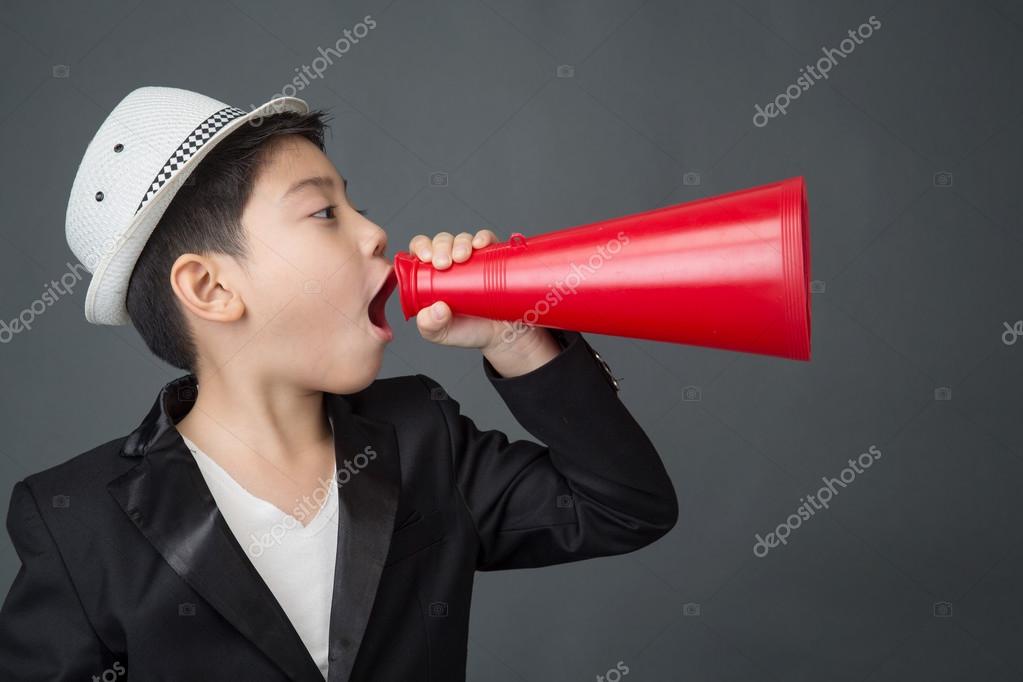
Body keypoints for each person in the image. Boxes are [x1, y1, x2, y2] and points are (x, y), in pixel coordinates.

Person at [0, 86, 677, 681]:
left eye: (351, 204)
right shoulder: (78, 520)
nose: (376, 233)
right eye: (324, 213)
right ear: (210, 288)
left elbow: (624, 508)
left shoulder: (421, 435)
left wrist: (515, 334)